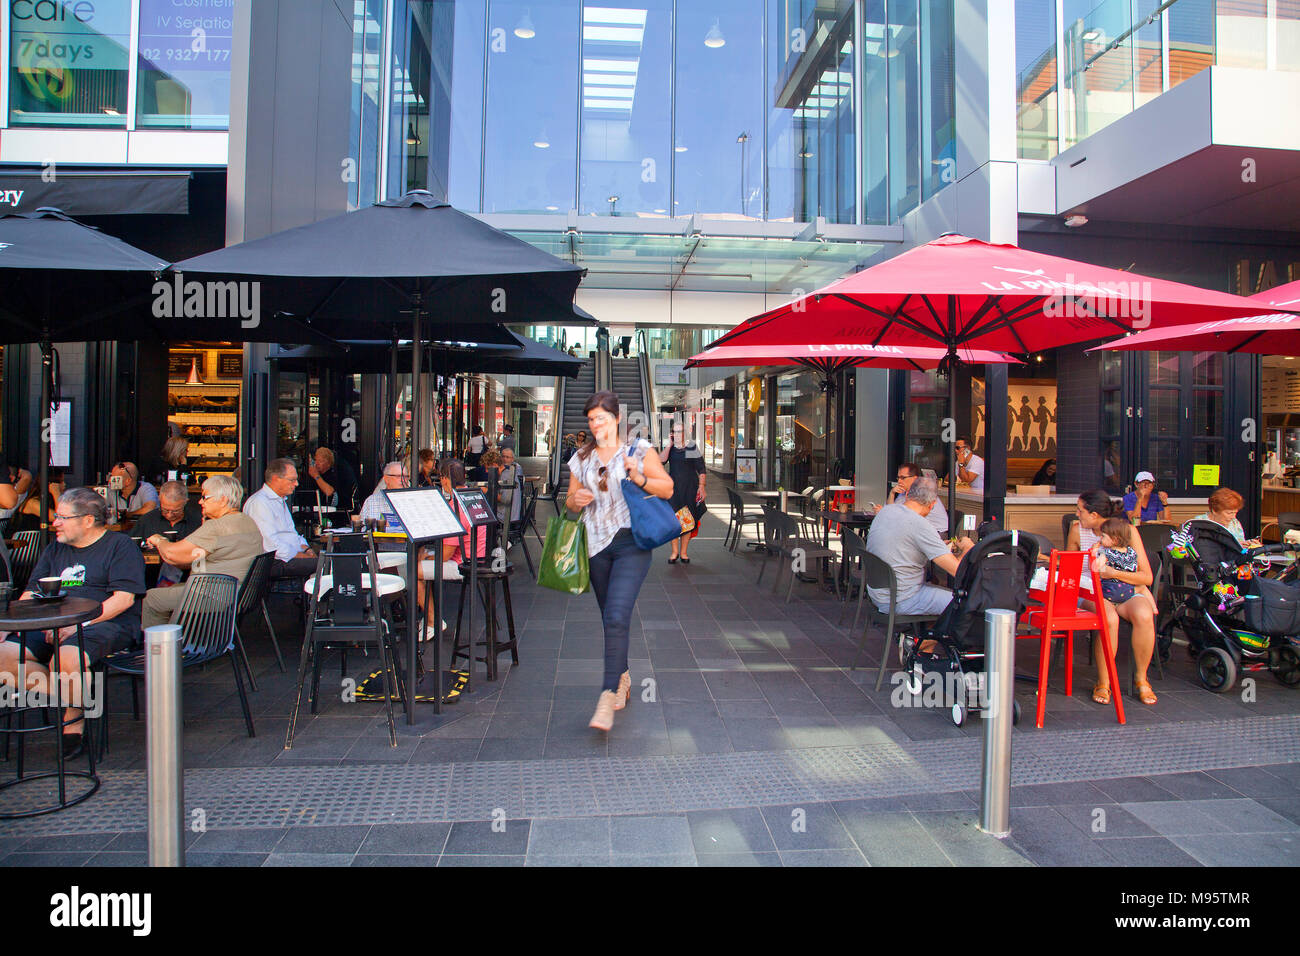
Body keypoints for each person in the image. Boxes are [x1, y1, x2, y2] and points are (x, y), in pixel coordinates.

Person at [0, 487, 145, 755]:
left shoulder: (119, 546)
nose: (54, 522)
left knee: (66, 659)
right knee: (2, 655)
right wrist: (11, 623)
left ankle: (73, 721)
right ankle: (77, 696)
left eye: (62, 518)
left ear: (88, 520)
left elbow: (123, 600)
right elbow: (32, 591)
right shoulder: (56, 548)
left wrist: (77, 625)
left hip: (103, 623)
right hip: (49, 622)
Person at [566, 390, 673, 732]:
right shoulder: (581, 458)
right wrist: (577, 499)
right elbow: (569, 500)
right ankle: (623, 676)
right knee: (610, 617)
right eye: (591, 419)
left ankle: (607, 694)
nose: (595, 424)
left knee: (616, 614)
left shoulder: (638, 451)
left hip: (631, 543)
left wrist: (638, 476)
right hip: (595, 545)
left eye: (601, 417)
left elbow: (667, 488)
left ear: (616, 419)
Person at [1067, 490, 1158, 706]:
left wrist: (1113, 573)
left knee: (1144, 614)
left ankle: (1142, 679)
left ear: (1095, 515)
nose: (1077, 514)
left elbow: (1147, 576)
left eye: (1080, 510)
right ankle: (1104, 681)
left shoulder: (1128, 531)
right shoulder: (1077, 531)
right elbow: (1069, 571)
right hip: (1091, 591)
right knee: (1109, 619)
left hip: (1124, 589)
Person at [142, 475, 265, 628]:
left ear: (223, 500)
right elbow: (200, 557)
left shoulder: (216, 527)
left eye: (205, 497)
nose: (200, 501)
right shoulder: (248, 521)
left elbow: (172, 555)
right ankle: (180, 638)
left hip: (214, 596)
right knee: (172, 590)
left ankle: (162, 649)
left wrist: (159, 540)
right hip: (241, 595)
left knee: (152, 598)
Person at [865, 478, 974, 628]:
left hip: (878, 593)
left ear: (908, 494)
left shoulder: (885, 512)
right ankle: (924, 646)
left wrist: (938, 546)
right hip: (902, 598)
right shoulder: (921, 525)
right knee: (965, 603)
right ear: (933, 504)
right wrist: (968, 548)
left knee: (937, 591)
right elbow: (958, 570)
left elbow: (902, 543)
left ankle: (919, 640)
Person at [244, 458, 316, 578]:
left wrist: (307, 549)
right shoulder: (260, 503)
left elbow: (291, 534)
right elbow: (270, 545)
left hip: (285, 557)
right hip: (271, 562)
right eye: (292, 480)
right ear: (276, 479)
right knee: (325, 564)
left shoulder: (280, 500)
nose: (296, 484)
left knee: (325, 561)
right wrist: (301, 556)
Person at [132, 481, 203, 584]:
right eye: (165, 510)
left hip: (189, 580)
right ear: (160, 500)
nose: (169, 515)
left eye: (176, 511)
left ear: (185, 501)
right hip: (150, 579)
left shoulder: (198, 521)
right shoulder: (147, 520)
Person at [1090, 517, 1158, 616]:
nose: (1100, 539)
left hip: (1111, 591)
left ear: (1114, 540)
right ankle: (1154, 607)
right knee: (1142, 587)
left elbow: (1095, 567)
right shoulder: (1131, 552)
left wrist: (1094, 553)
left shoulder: (1106, 552)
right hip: (1128, 590)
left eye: (1103, 536)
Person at [660, 420, 706, 565]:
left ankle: (684, 552)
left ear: (685, 433)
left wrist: (702, 486)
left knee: (687, 519)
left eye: (680, 431)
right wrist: (669, 444)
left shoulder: (692, 447)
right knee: (674, 521)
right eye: (675, 431)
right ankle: (674, 552)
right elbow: (661, 460)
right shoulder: (671, 448)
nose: (677, 434)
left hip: (689, 488)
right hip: (673, 489)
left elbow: (701, 469)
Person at [875, 462, 948, 536]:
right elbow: (892, 511)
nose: (899, 481)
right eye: (898, 478)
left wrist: (884, 514)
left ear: (915, 478)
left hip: (937, 533)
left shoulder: (922, 492)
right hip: (918, 531)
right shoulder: (903, 492)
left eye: (903, 478)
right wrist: (892, 494)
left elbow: (906, 518)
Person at [1194, 486, 1258, 548]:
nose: (1233, 516)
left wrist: (1248, 544)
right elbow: (1202, 548)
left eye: (1235, 512)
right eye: (1229, 513)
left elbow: (1240, 543)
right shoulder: (1199, 523)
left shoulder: (1234, 523)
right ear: (1214, 511)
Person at [7, 468, 62, 533]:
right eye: (61, 482)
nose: (64, 484)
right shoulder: (32, 502)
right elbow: (58, 518)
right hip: (23, 540)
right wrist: (56, 493)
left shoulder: (46, 501)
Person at [306, 447, 355, 511]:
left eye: (320, 461)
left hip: (337, 510)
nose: (317, 463)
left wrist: (316, 476)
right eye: (316, 460)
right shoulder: (316, 474)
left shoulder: (336, 474)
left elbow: (330, 493)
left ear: (328, 463)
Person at [498, 447, 524, 524]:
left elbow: (504, 499)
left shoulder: (508, 473)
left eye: (507, 457)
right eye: (503, 456)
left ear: (512, 459)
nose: (504, 459)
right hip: (514, 515)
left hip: (507, 517)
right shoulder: (514, 469)